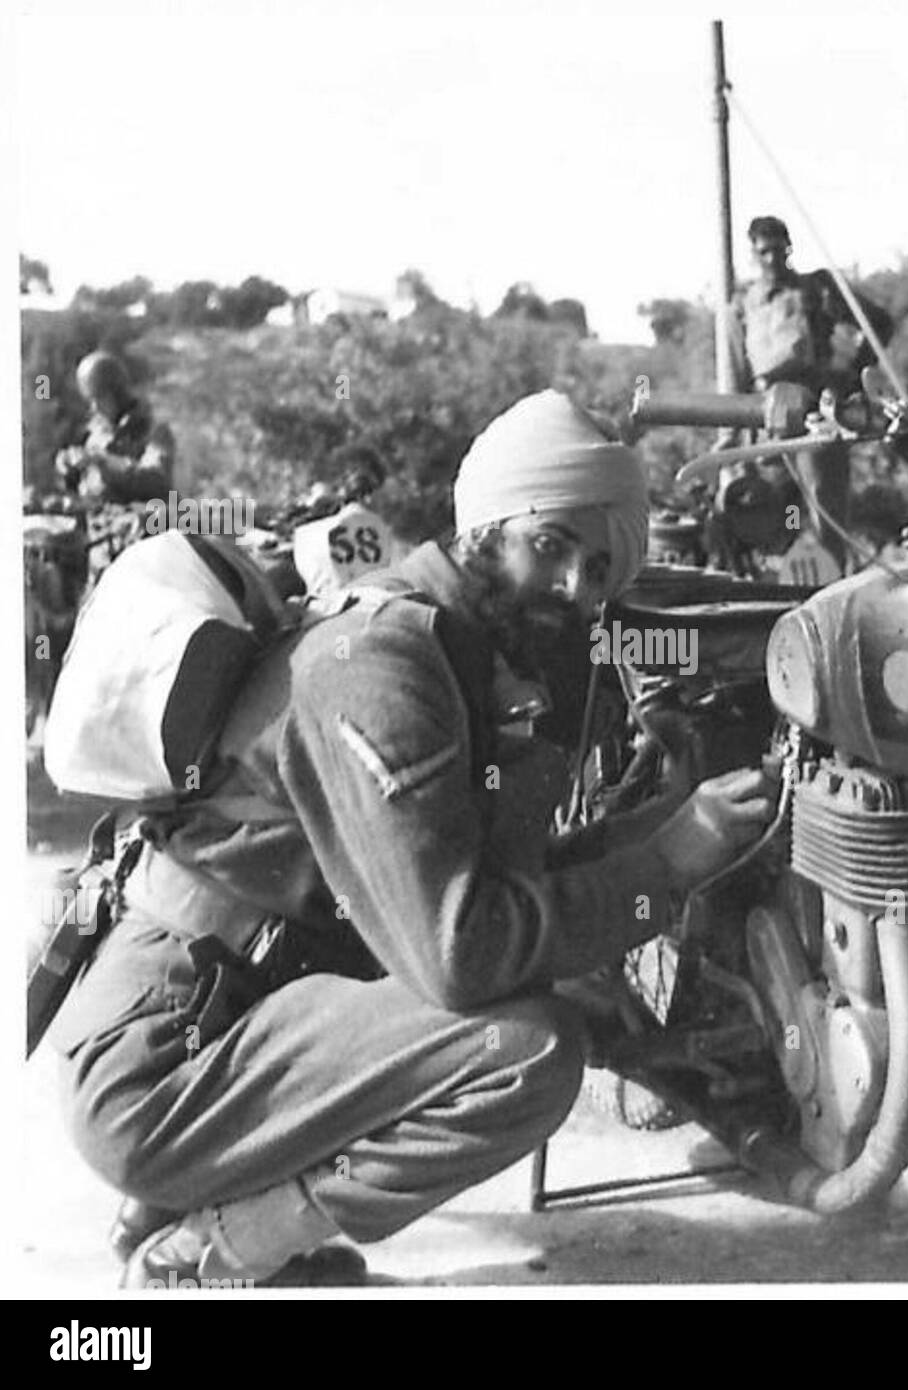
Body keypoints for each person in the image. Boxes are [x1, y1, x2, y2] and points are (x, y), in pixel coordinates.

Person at [51, 389, 777, 1287]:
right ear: (485, 526)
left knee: (541, 1001)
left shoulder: (457, 652)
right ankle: (208, 1253)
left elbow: (481, 879)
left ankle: (203, 1198)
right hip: (165, 1071)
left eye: (598, 571)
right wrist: (663, 866)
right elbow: (461, 950)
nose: (573, 589)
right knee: (527, 1053)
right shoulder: (384, 662)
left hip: (238, 1019)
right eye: (551, 545)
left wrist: (662, 825)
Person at [725, 215, 894, 573]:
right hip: (765, 418)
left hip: (816, 413)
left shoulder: (817, 288)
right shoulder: (741, 305)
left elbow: (879, 323)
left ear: (789, 248)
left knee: (825, 519)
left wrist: (850, 377)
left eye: (778, 250)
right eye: (763, 252)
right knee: (762, 520)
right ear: (754, 255)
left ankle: (830, 595)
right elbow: (736, 375)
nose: (772, 259)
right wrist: (732, 442)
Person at [56, 350, 176, 506]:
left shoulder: (154, 429)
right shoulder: (96, 434)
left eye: (99, 398)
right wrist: (70, 467)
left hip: (150, 522)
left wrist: (103, 462)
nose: (94, 407)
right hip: (104, 520)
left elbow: (157, 479)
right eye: (90, 400)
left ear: (118, 393)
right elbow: (89, 491)